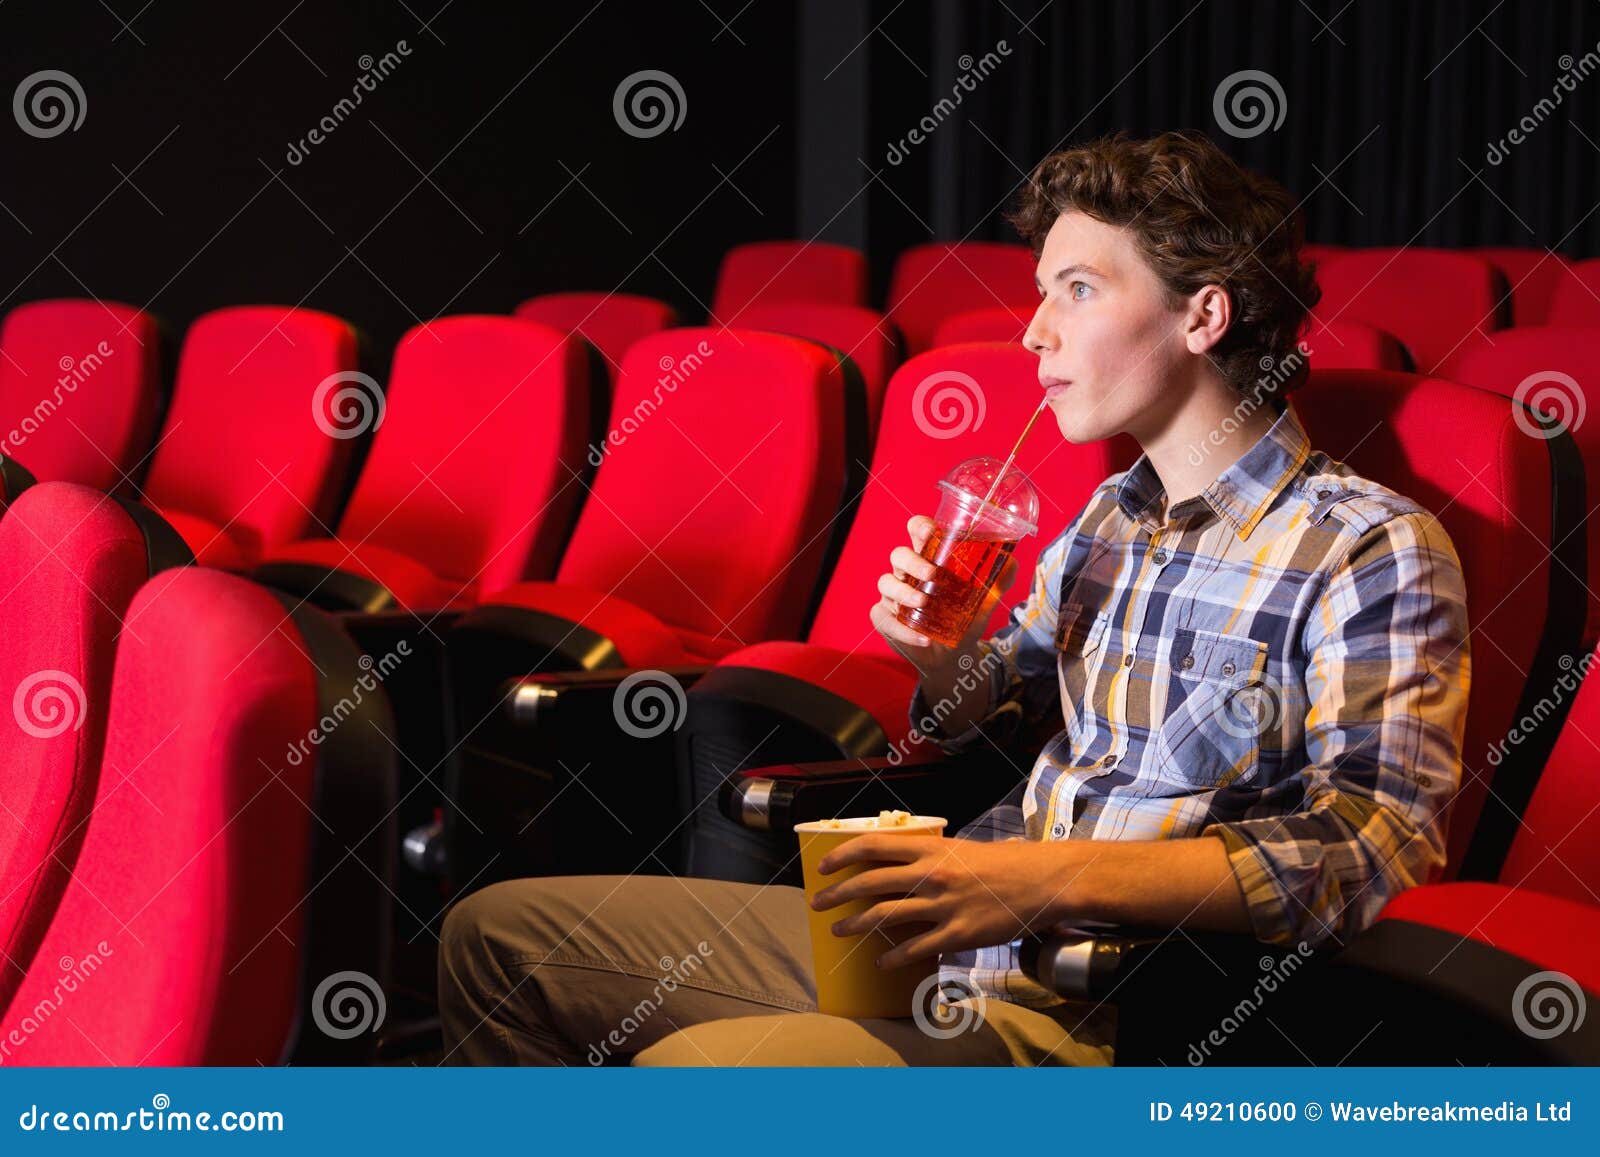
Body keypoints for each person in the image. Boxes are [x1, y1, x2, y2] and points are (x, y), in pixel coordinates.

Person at [436, 130, 1470, 1066]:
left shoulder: (1366, 544)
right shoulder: (1112, 514)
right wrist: (947, 656)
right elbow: (992, 713)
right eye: (1039, 292)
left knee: (696, 1077)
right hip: (954, 937)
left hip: (1100, 1004)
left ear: (1203, 314)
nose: (1033, 333)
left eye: (1075, 289)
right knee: (498, 938)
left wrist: (1043, 880)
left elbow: (1369, 846)